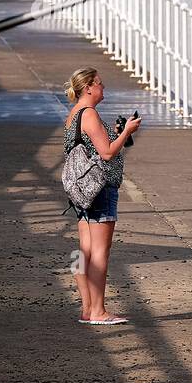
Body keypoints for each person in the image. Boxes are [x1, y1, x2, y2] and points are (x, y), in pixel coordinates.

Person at [63, 68, 141, 325]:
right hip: (99, 188)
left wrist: (119, 133)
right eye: (99, 83)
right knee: (99, 252)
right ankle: (98, 311)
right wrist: (127, 132)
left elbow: (93, 145)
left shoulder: (73, 114)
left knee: (81, 252)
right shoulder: (90, 114)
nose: (103, 87)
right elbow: (106, 153)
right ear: (88, 88)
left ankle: (87, 308)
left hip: (81, 189)